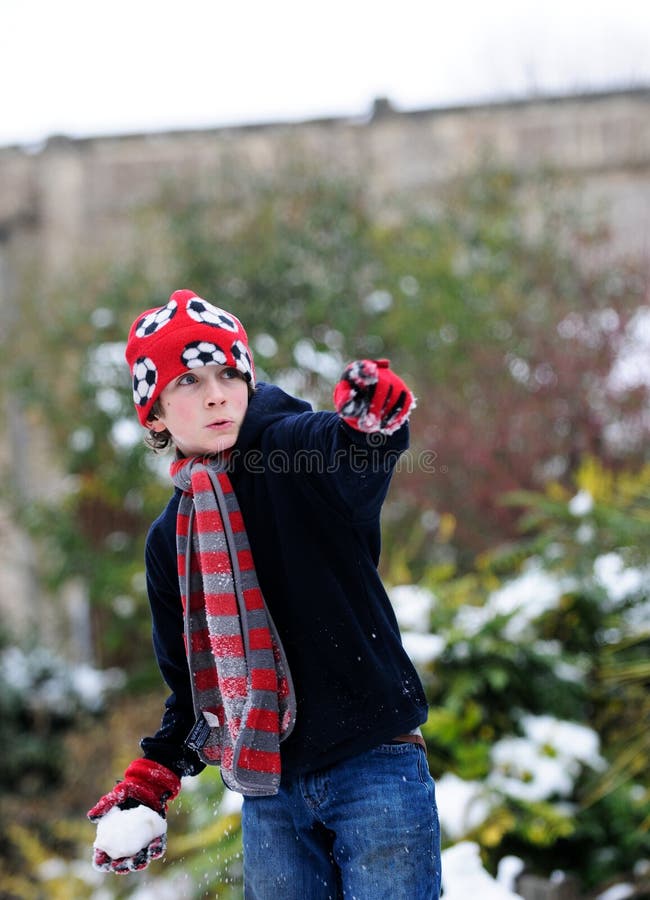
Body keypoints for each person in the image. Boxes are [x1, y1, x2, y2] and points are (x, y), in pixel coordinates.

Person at [88, 288, 441, 898]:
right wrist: (154, 777)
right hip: (270, 790)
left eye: (229, 372)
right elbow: (196, 688)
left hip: (374, 765)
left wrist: (371, 429)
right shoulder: (171, 539)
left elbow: (352, 460)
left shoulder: (296, 452)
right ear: (154, 414)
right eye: (189, 382)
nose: (217, 393)